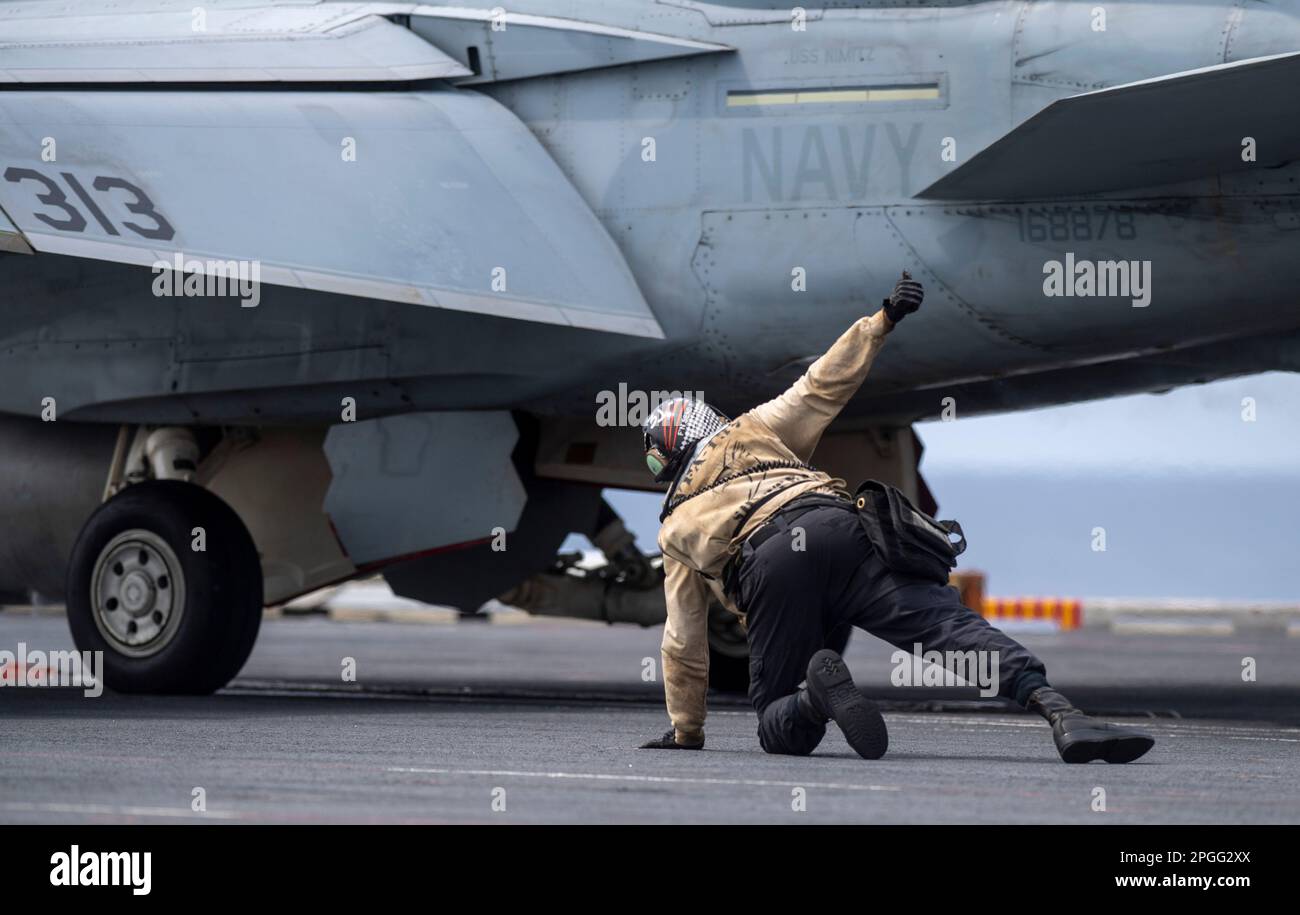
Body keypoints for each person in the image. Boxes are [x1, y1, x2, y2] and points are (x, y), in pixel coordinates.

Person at [636, 274, 1155, 764]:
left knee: (777, 723)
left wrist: (687, 730)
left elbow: (683, 639)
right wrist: (880, 321)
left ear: (668, 456)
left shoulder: (675, 527)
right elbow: (821, 385)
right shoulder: (756, 427)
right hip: (842, 527)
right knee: (948, 628)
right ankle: (1062, 713)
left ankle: (813, 700)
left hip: (771, 565)